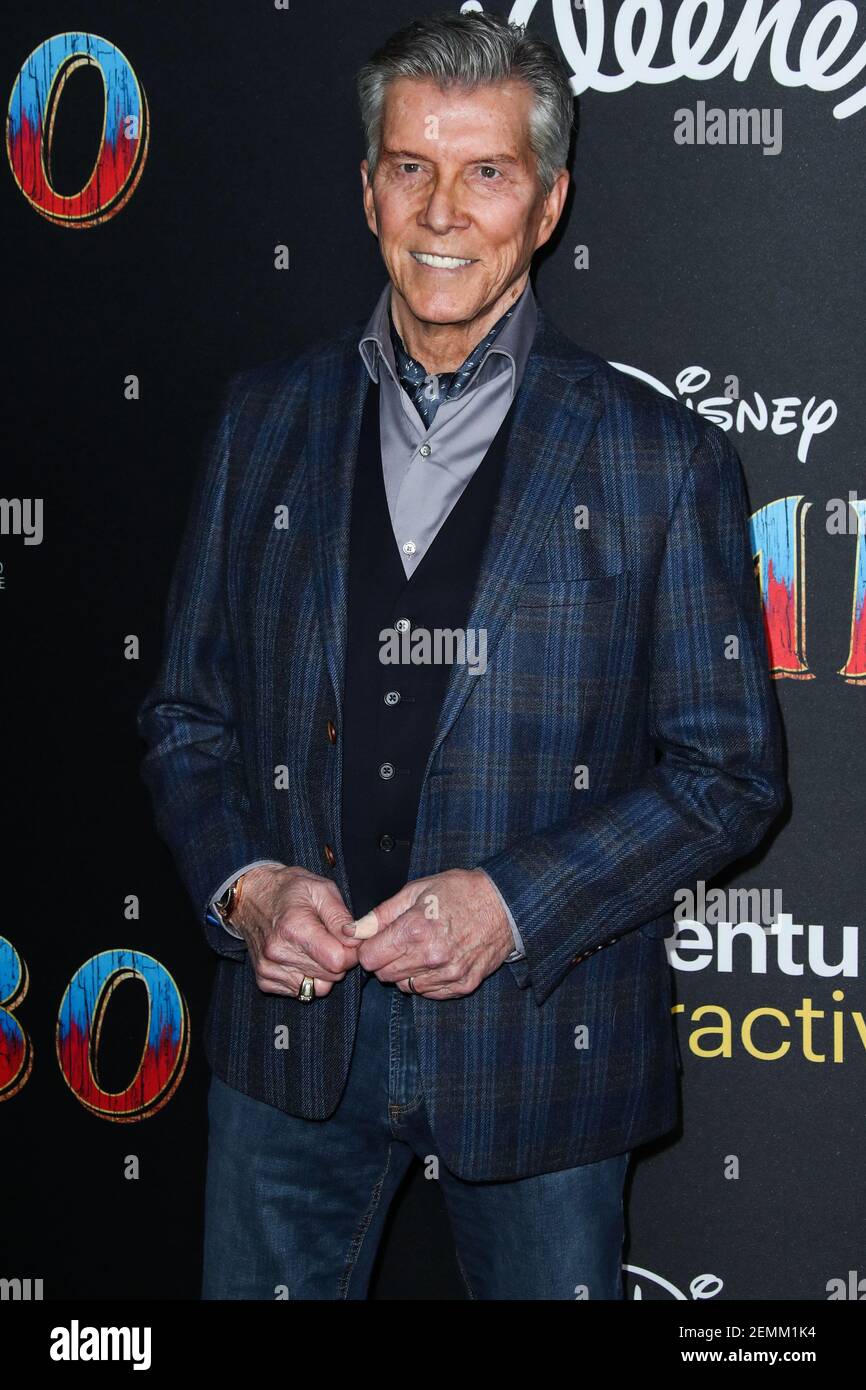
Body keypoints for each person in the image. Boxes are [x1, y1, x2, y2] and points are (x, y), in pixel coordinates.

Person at [137, 10, 785, 1300]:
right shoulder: (263, 423)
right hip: (289, 1052)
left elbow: (728, 775)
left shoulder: (662, 463)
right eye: (411, 166)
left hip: (544, 1055)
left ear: (547, 206)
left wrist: (512, 906)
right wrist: (244, 887)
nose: (443, 210)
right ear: (368, 186)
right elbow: (183, 717)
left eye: (486, 171)